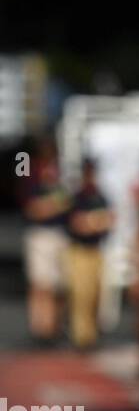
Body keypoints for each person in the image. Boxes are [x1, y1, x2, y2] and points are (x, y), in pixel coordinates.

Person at [21, 141, 70, 343]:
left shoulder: (62, 179)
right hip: (39, 236)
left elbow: (68, 204)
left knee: (60, 285)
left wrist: (52, 206)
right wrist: (54, 206)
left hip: (59, 234)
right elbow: (32, 209)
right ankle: (40, 328)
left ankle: (54, 326)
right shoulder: (30, 177)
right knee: (41, 284)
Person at [65, 157, 113, 350]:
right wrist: (95, 222)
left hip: (96, 250)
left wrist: (92, 223)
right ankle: (81, 337)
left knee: (96, 295)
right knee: (81, 295)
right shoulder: (77, 196)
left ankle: (91, 334)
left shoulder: (101, 195)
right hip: (79, 251)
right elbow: (77, 224)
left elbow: (109, 221)